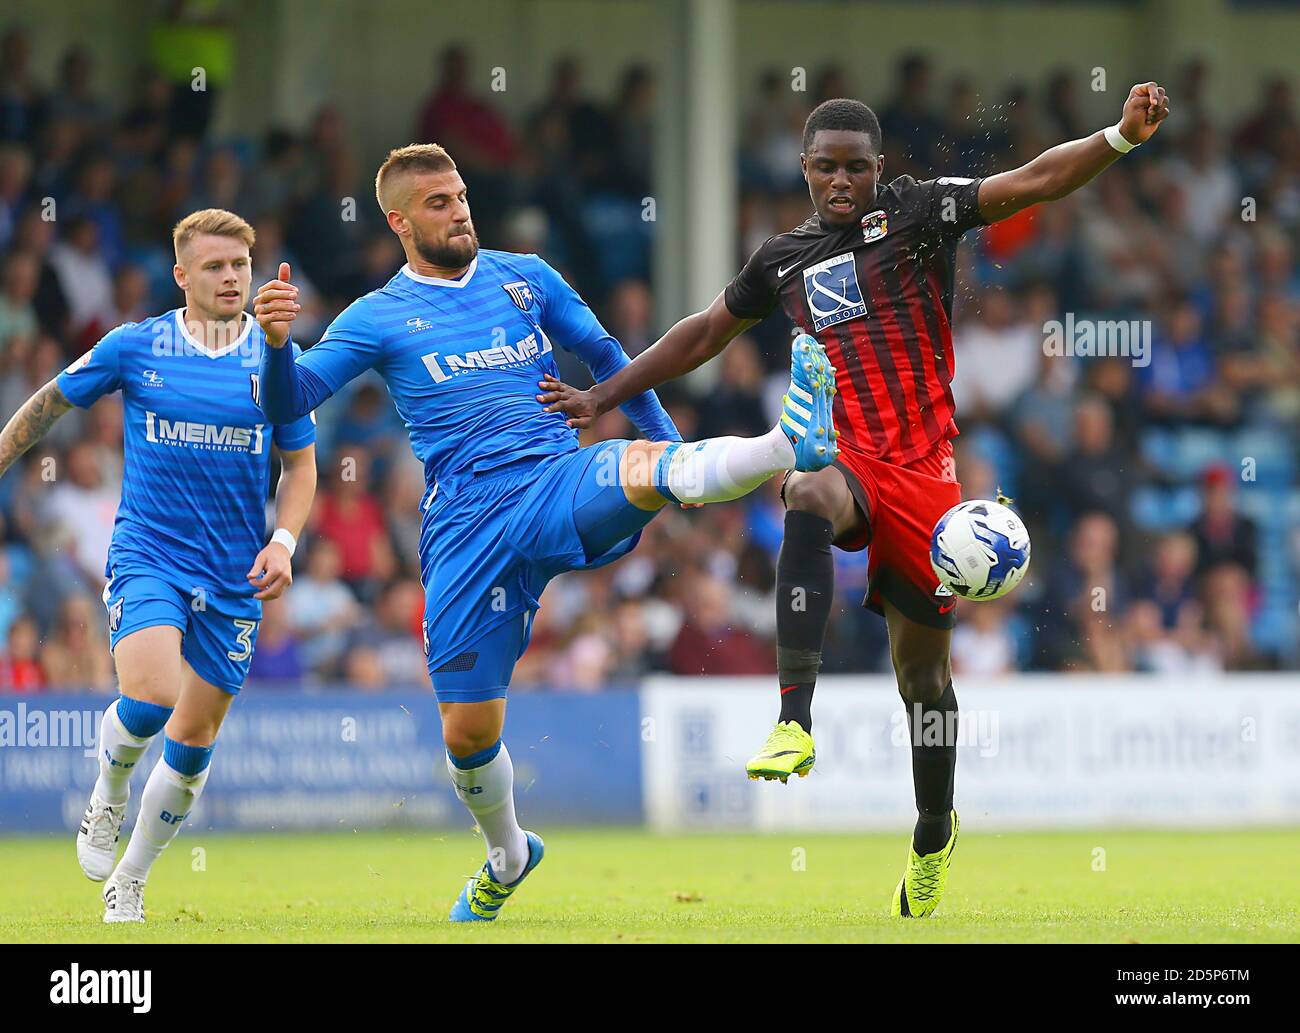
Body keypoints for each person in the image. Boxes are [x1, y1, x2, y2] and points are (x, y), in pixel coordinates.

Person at [539, 82, 1171, 918]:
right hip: (852, 461)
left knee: (924, 685)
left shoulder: (917, 215)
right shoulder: (782, 258)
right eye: (827, 168)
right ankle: (795, 717)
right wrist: (604, 394)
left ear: (880, 169)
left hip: (929, 480)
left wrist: (1118, 138)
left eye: (858, 168)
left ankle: (935, 828)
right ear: (804, 168)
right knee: (803, 485)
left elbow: (1032, 181)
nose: (842, 182)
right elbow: (700, 334)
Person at [253, 143, 838, 923]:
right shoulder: (377, 317)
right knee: (467, 729)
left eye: (461, 195)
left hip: (552, 477)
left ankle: (782, 442)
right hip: (465, 528)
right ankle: (507, 853)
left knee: (633, 466)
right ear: (397, 221)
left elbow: (606, 357)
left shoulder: (526, 275)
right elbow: (290, 401)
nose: (459, 210)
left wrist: (665, 446)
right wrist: (273, 343)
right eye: (438, 203)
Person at [0, 209, 318, 923]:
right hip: (151, 552)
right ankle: (107, 792)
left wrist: (285, 542)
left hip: (237, 572)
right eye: (215, 266)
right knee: (150, 695)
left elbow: (300, 466)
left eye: (240, 264)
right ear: (181, 275)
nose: (232, 277)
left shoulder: (276, 361)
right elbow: (51, 402)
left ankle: (131, 877)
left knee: (194, 739)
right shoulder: (135, 347)